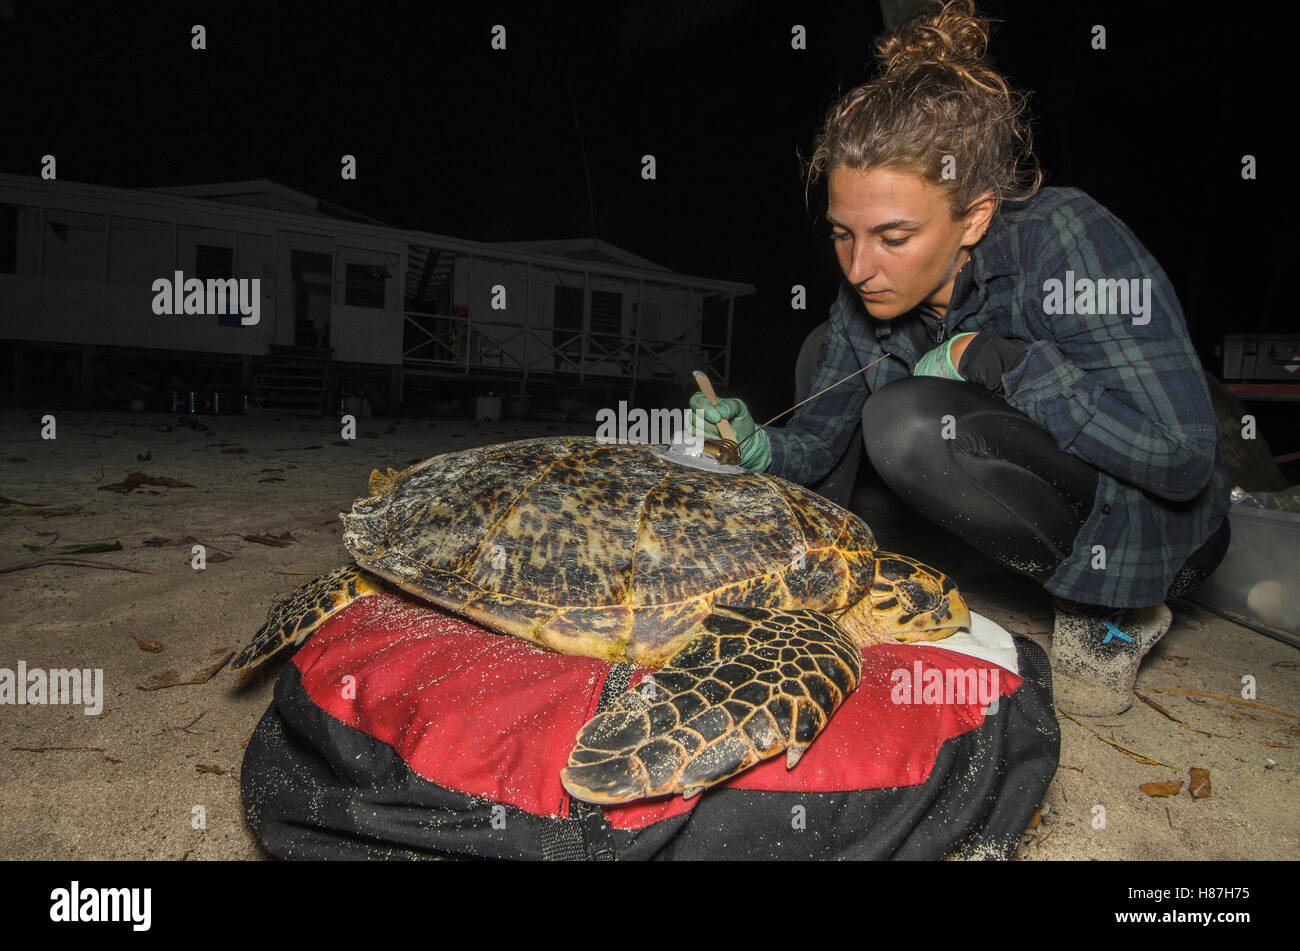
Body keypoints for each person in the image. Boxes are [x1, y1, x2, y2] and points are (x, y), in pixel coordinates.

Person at [691, 0, 1231, 717]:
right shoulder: (865, 293)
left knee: (906, 421)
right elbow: (818, 444)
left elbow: (1183, 458)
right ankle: (841, 584)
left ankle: (1114, 612)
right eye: (843, 234)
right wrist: (758, 448)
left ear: (974, 215)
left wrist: (999, 361)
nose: (859, 267)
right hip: (1025, 484)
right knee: (827, 349)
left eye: (893, 235)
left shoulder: (1064, 242)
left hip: (1161, 532)